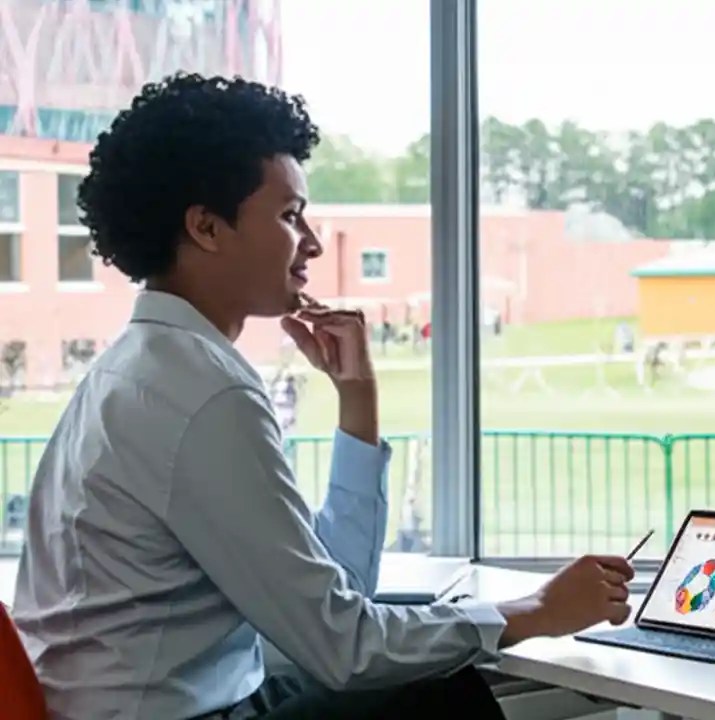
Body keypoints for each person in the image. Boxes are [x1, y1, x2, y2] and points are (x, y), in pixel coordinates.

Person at [11, 73, 633, 720]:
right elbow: (345, 649)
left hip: (202, 699)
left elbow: (338, 596)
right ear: (206, 227)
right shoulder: (201, 391)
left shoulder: (142, 368)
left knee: (451, 675)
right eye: (288, 215)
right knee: (444, 695)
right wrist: (533, 611)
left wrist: (356, 400)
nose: (310, 242)